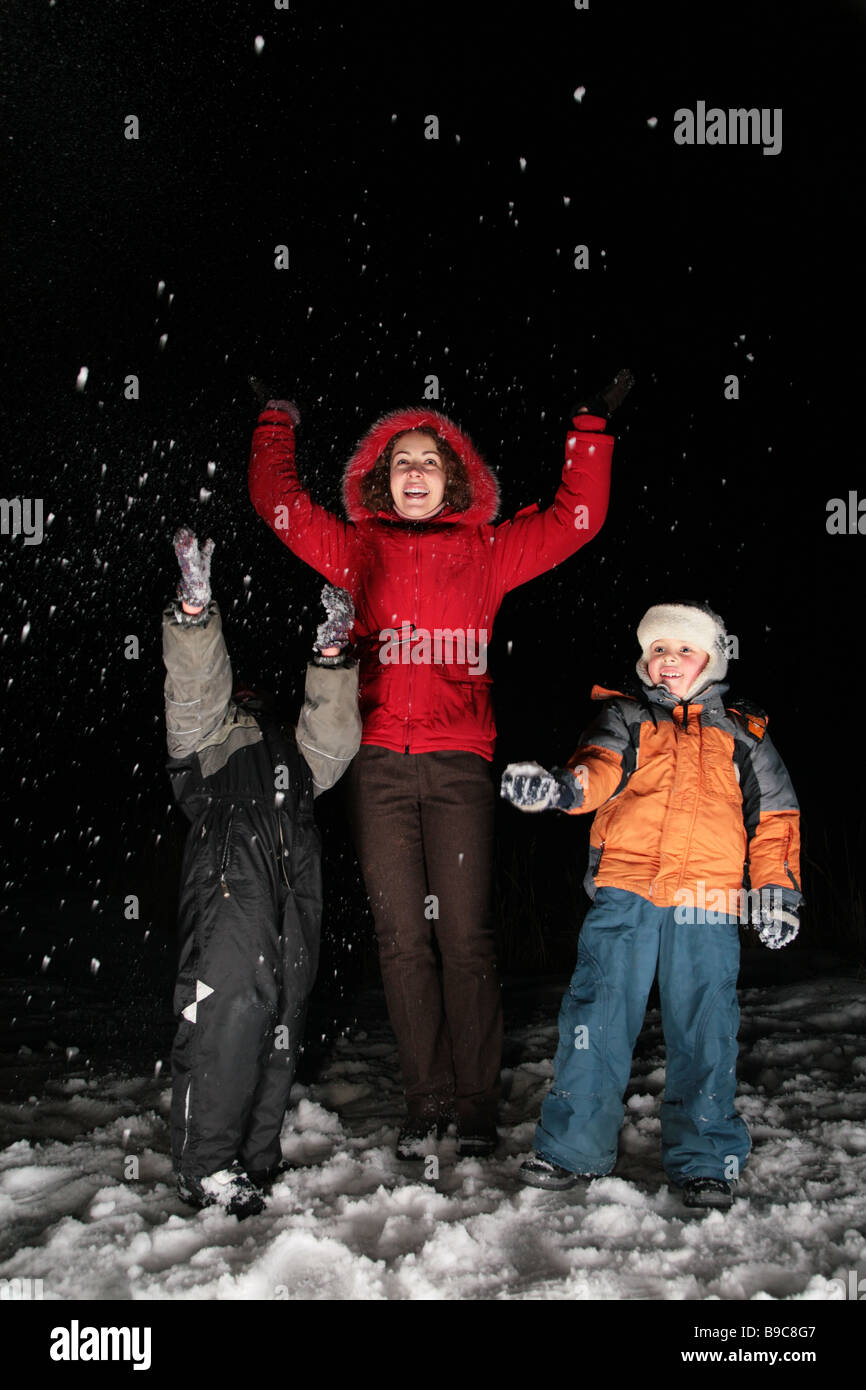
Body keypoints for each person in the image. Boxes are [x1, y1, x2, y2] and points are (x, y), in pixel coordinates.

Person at [248, 374, 630, 1159]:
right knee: (399, 940)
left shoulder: (487, 552)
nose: (415, 472)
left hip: (459, 765)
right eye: (400, 463)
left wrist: (589, 427)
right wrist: (277, 420)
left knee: (466, 937)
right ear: (381, 481)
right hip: (379, 764)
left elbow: (576, 521)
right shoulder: (357, 549)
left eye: (428, 460)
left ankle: (477, 1102)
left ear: (453, 477)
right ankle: (425, 1101)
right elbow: (277, 507)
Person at [501, 600, 802, 1209]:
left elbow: (776, 819)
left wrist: (776, 892)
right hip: (628, 891)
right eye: (658, 650)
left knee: (705, 1028)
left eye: (684, 650)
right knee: (596, 1020)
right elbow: (597, 771)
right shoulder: (626, 717)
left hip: (709, 900)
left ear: (713, 660)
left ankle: (705, 1159)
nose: (668, 660)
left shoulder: (745, 734)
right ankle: (571, 1151)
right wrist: (561, 788)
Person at [163, 527, 361, 1217]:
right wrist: (195, 617)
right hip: (232, 868)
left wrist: (331, 657)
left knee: (283, 1012)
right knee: (227, 1009)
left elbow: (333, 744)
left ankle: (252, 1158)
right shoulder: (208, 737)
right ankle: (208, 1163)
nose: (249, 700)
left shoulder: (295, 753)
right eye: (240, 692)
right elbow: (196, 685)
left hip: (295, 875)